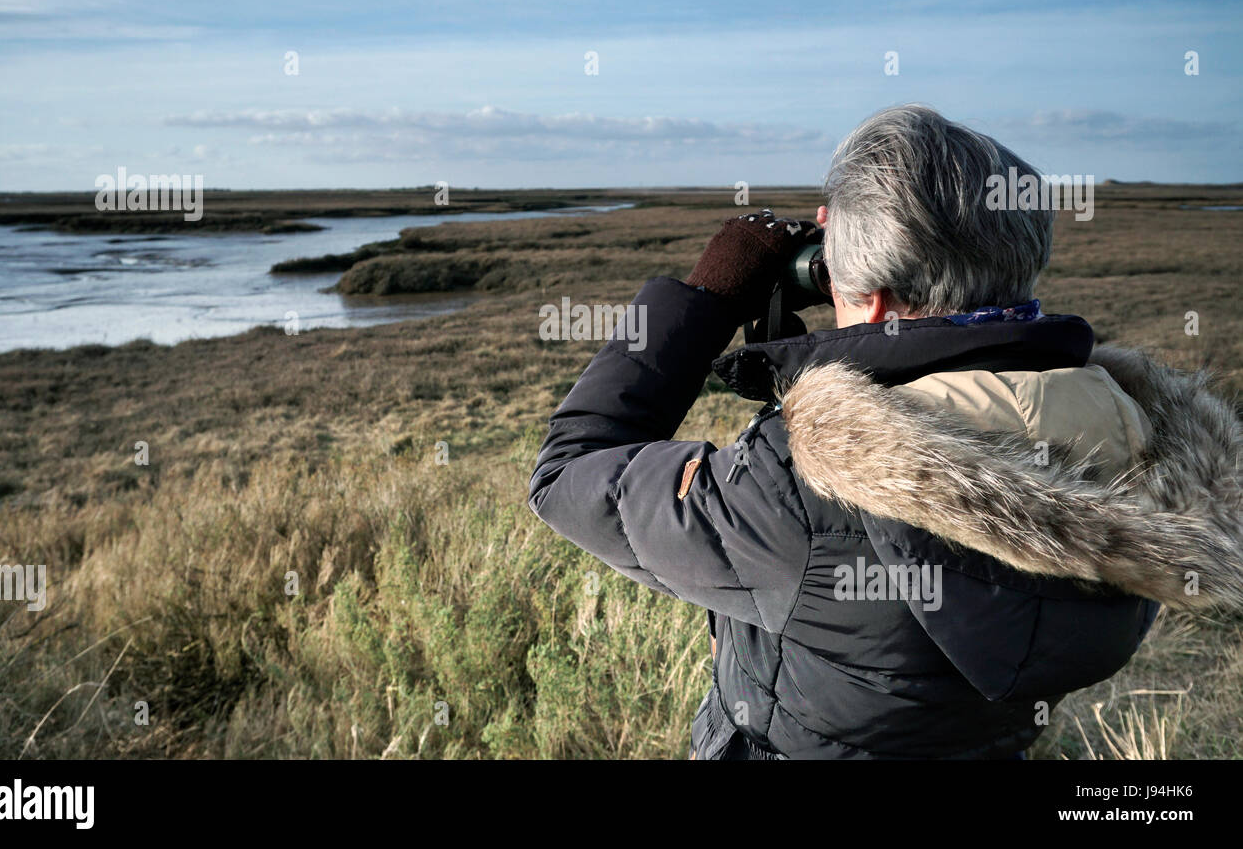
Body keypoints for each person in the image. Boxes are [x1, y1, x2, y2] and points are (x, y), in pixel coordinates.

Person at [528, 104, 1242, 759]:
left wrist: (706, 300)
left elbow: (569, 474)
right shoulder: (1138, 439)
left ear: (870, 297)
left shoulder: (802, 488)